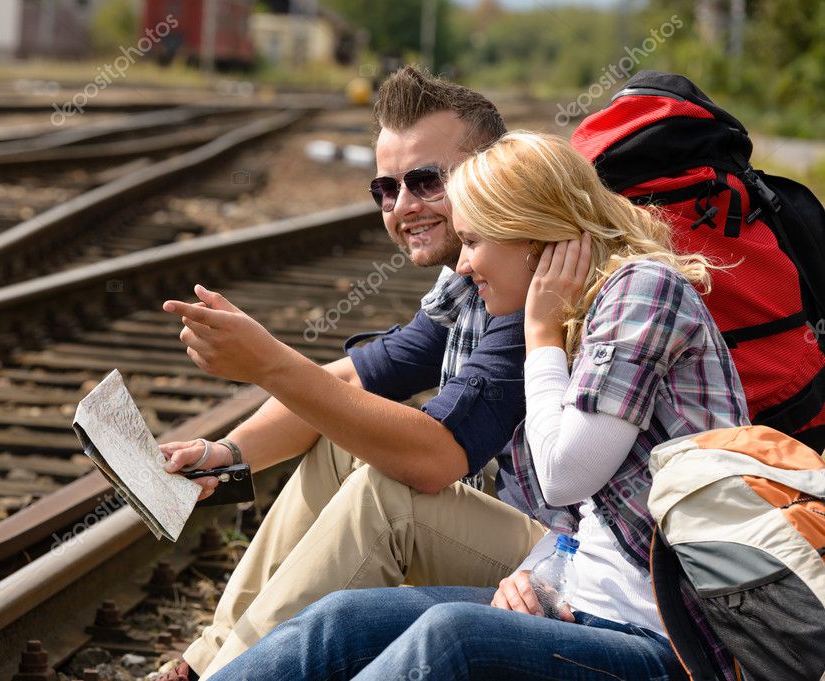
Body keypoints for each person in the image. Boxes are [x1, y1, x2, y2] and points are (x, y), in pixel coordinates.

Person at [205, 132, 750, 681]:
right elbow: (585, 516)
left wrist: (540, 336)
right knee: (342, 620)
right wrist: (545, 570)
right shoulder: (579, 306)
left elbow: (565, 475)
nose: (462, 264)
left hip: (669, 641)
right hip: (580, 598)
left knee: (449, 639)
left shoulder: (641, 291)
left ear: (530, 236)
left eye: (473, 241)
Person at [154, 67, 546, 681]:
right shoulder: (466, 280)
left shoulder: (529, 278)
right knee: (339, 437)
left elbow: (437, 459)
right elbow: (348, 385)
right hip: (513, 525)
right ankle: (208, 662)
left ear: (490, 170)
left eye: (425, 181)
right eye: (387, 189)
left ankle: (235, 673)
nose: (404, 206)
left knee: (390, 496)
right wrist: (226, 453)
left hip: (561, 559)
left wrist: (269, 361)